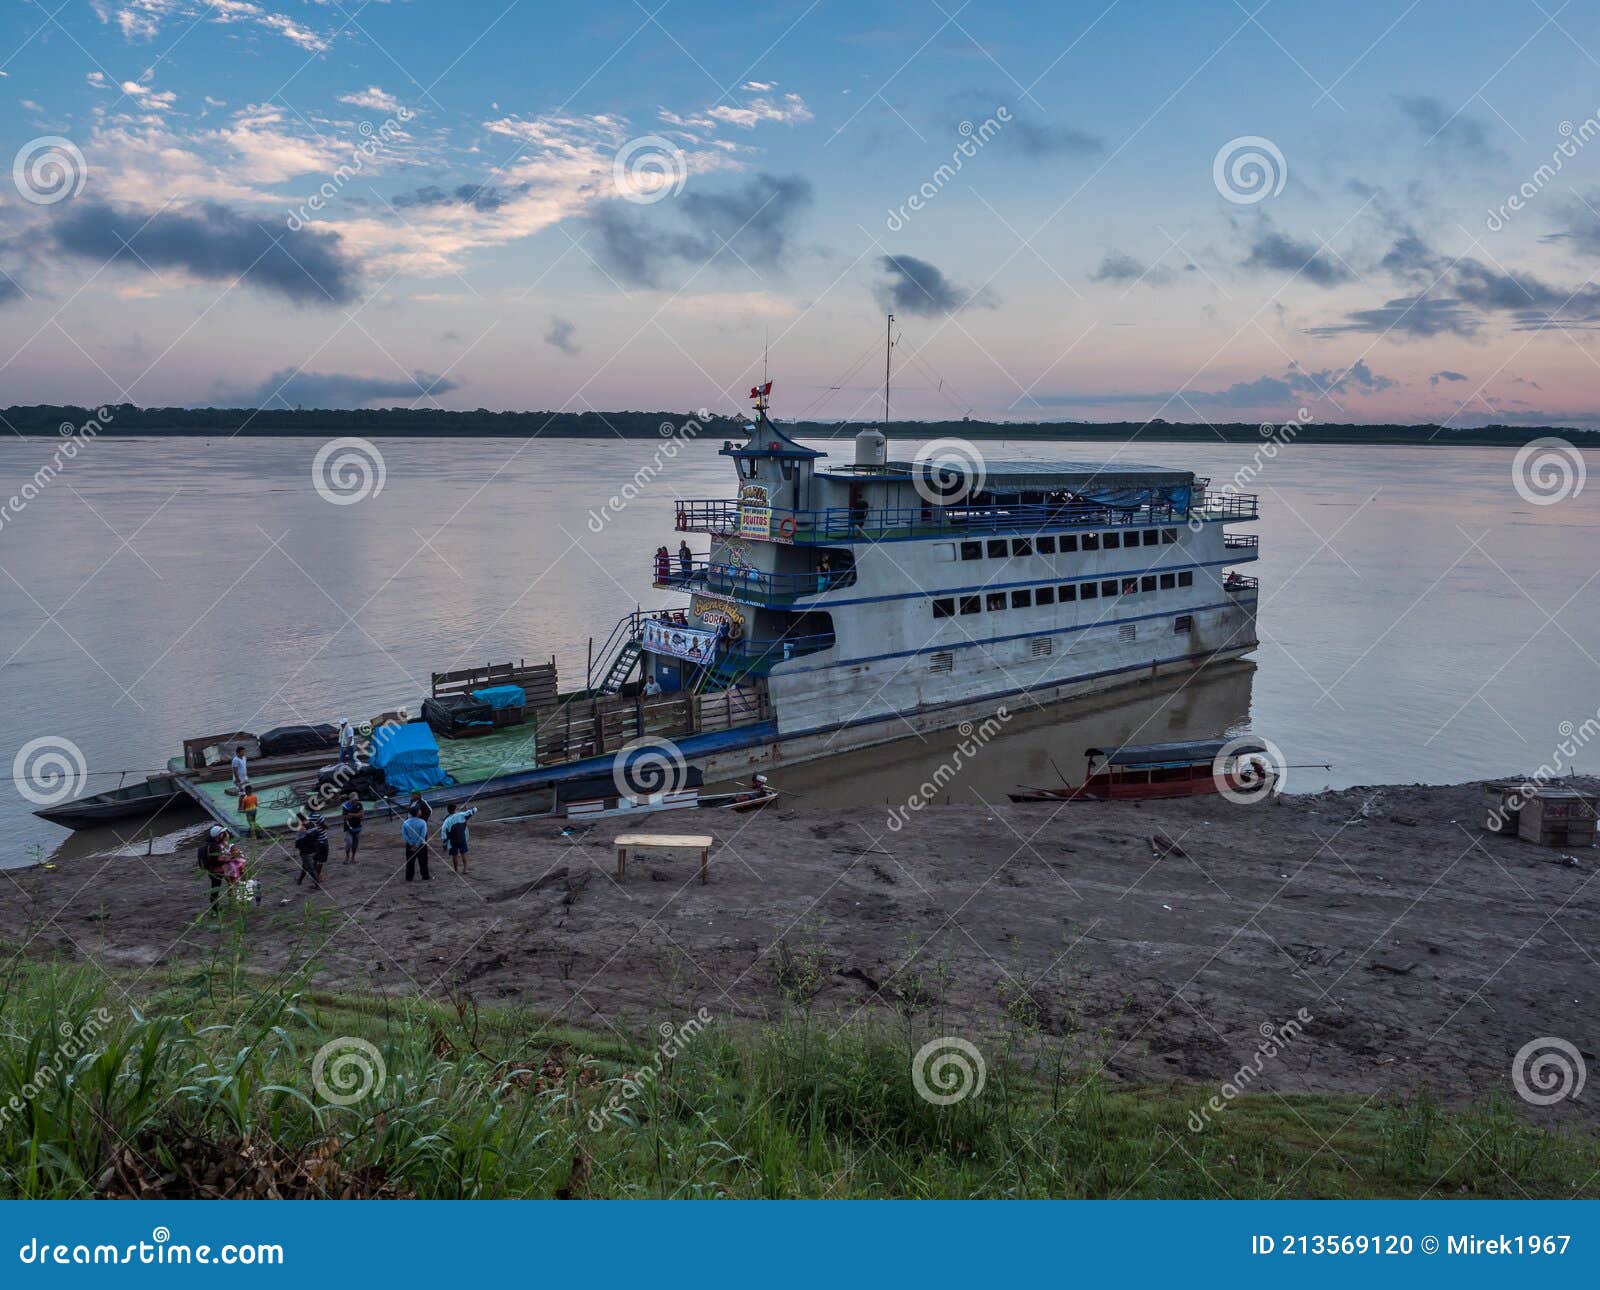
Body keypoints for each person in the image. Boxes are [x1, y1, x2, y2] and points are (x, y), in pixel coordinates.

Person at [197, 825, 230, 910]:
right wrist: (229, 859)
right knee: (218, 888)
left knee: (215, 888)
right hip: (219, 871)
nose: (225, 834)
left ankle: (215, 907)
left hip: (211, 871)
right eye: (223, 833)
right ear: (219, 836)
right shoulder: (215, 847)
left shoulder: (207, 845)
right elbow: (217, 861)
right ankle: (216, 908)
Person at [440, 806, 478, 874]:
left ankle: (456, 870)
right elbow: (473, 811)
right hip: (462, 839)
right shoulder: (462, 815)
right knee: (463, 854)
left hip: (453, 841)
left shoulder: (447, 821)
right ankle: (465, 869)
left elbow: (444, 833)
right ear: (455, 809)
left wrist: (444, 843)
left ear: (448, 811)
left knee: (454, 855)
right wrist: (474, 808)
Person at [402, 810, 430, 882]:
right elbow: (422, 835)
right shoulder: (422, 822)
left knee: (410, 862)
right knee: (423, 862)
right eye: (419, 811)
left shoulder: (406, 822)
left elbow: (404, 835)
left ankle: (409, 878)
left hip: (410, 845)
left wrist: (411, 844)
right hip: (421, 845)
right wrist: (417, 845)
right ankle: (425, 876)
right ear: (417, 813)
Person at [341, 790, 364, 862]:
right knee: (349, 843)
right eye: (354, 799)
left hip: (357, 826)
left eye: (356, 799)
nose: (355, 801)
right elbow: (345, 817)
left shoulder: (359, 804)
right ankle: (347, 856)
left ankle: (353, 858)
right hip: (348, 827)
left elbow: (361, 815)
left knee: (355, 843)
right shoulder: (345, 806)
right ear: (350, 799)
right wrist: (357, 815)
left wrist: (351, 814)